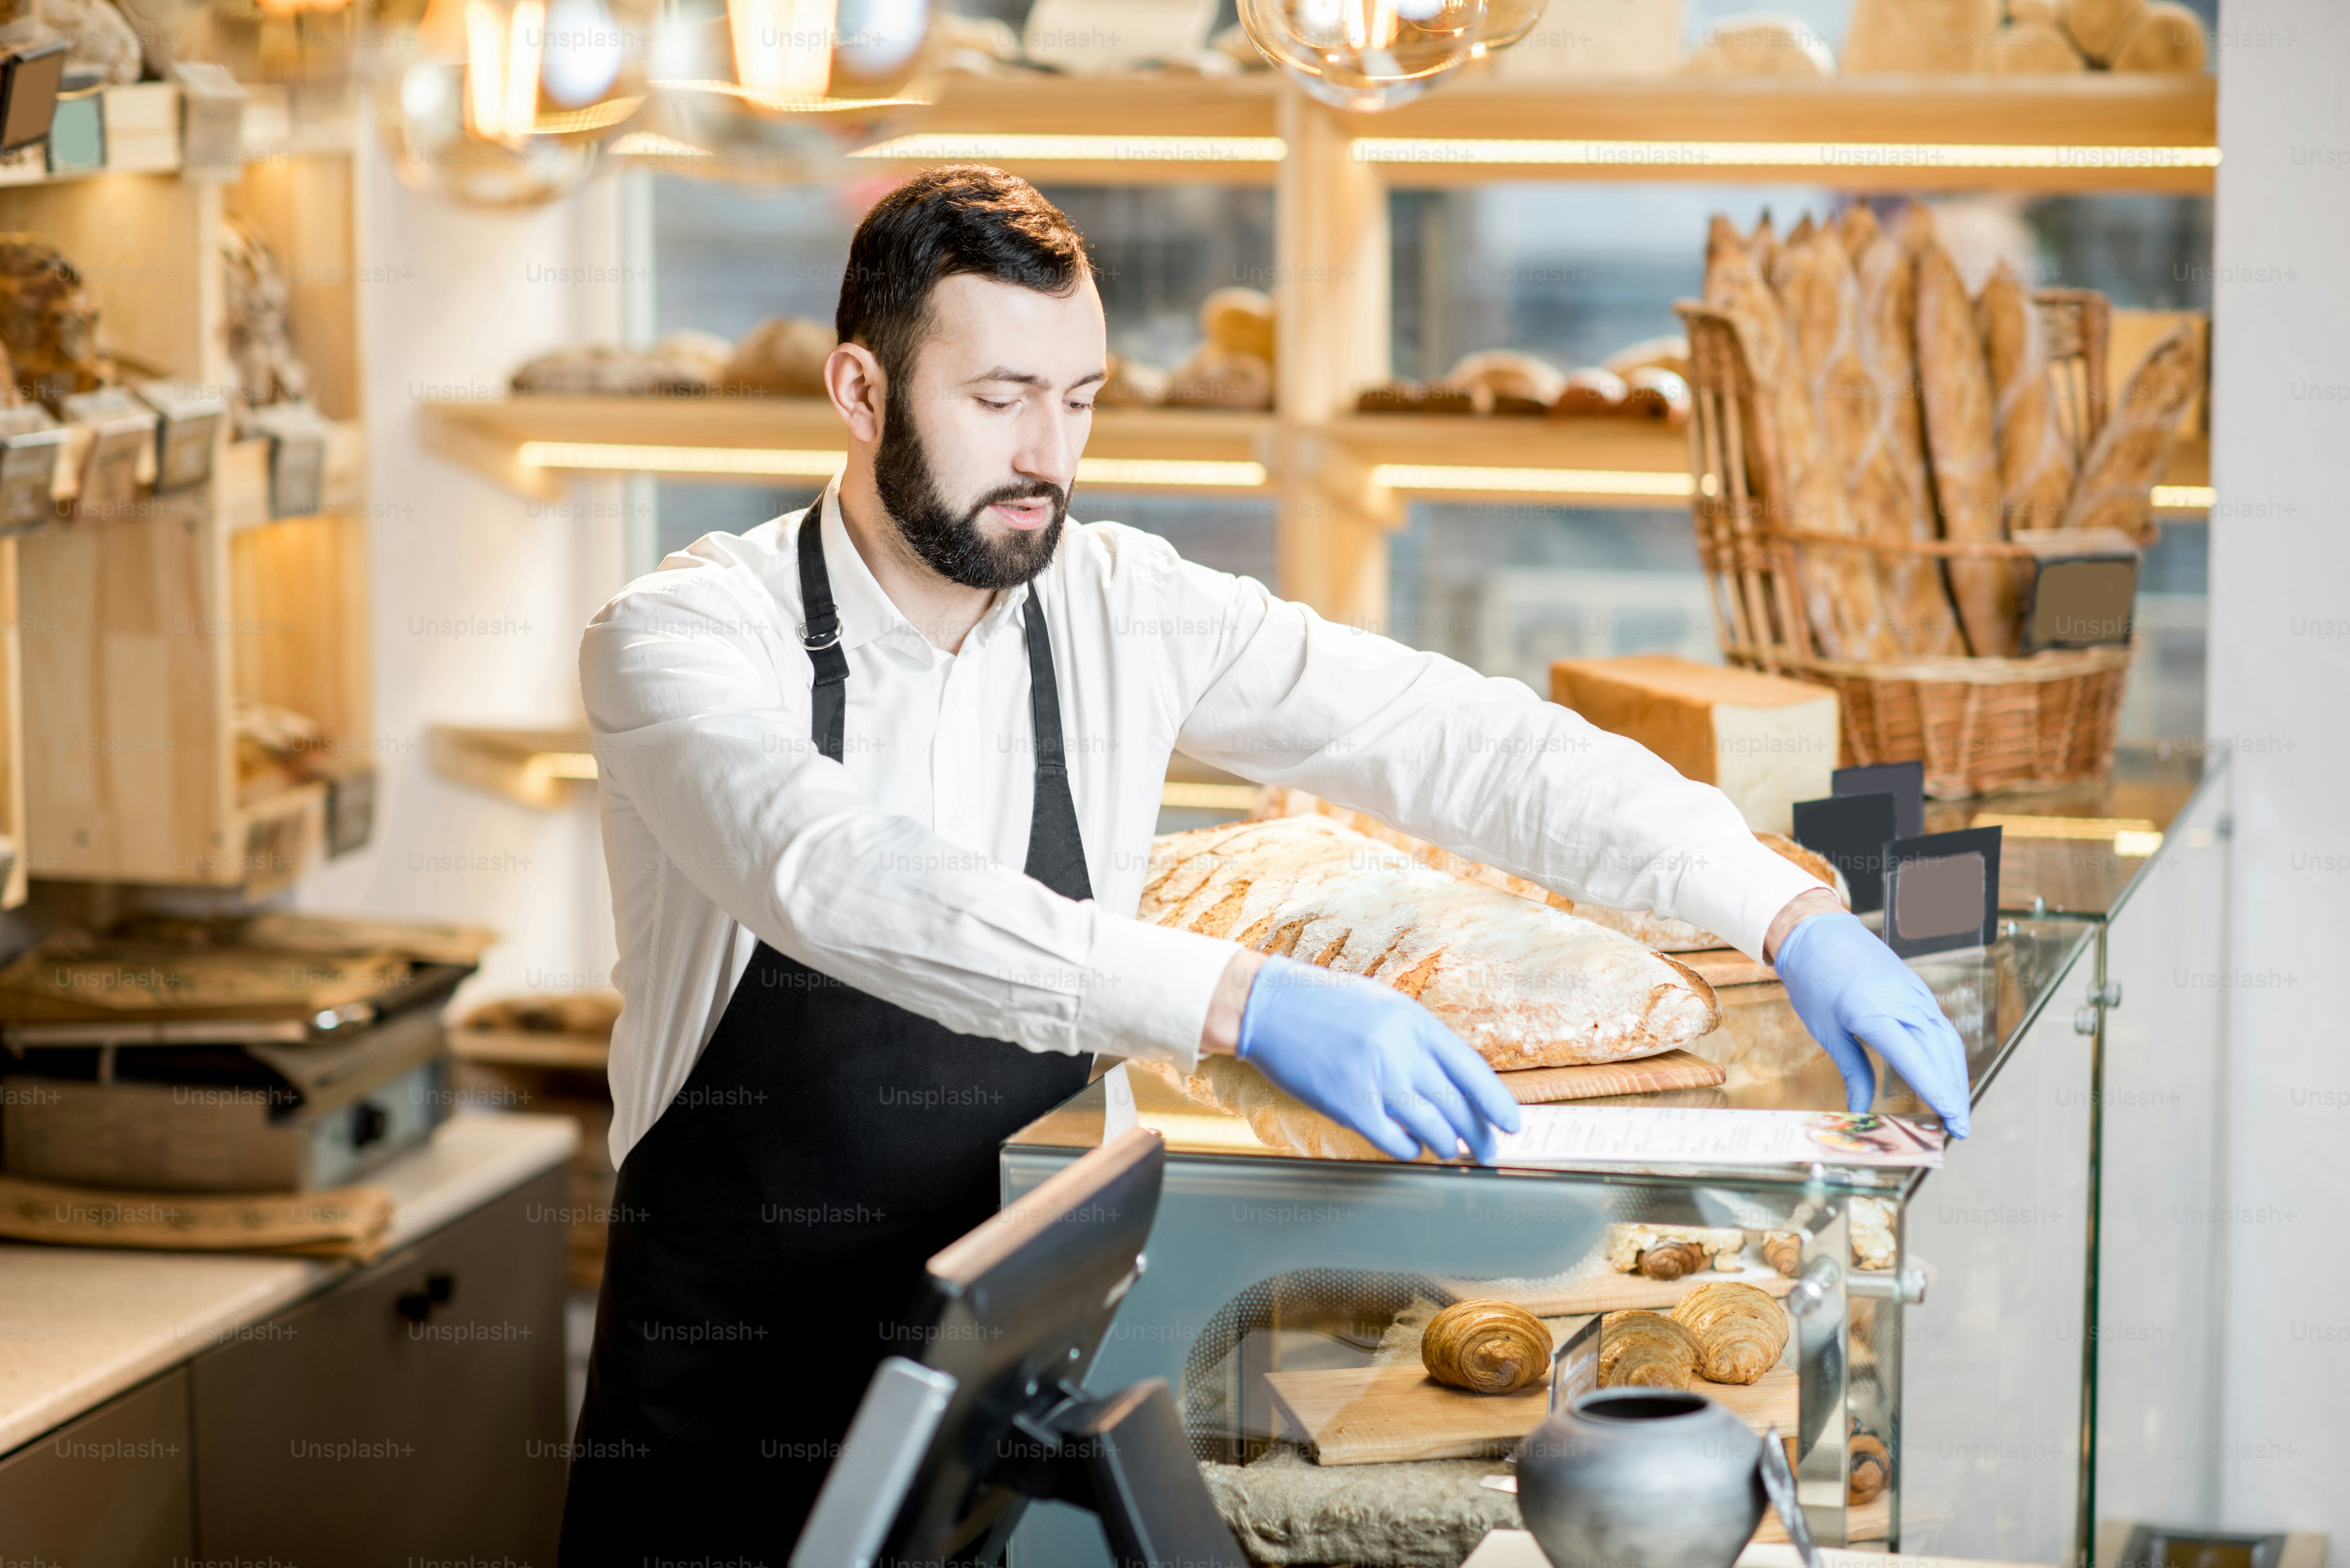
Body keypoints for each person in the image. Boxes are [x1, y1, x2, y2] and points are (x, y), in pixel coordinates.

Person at [558, 165, 1969, 1563]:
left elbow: (1457, 740)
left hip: (999, 1405)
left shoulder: (1124, 607)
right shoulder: (683, 640)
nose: (1049, 451)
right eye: (999, 400)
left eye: (1081, 397)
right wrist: (1243, 999)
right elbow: (840, 879)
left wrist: (1776, 906)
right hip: (727, 1428)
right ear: (861, 394)